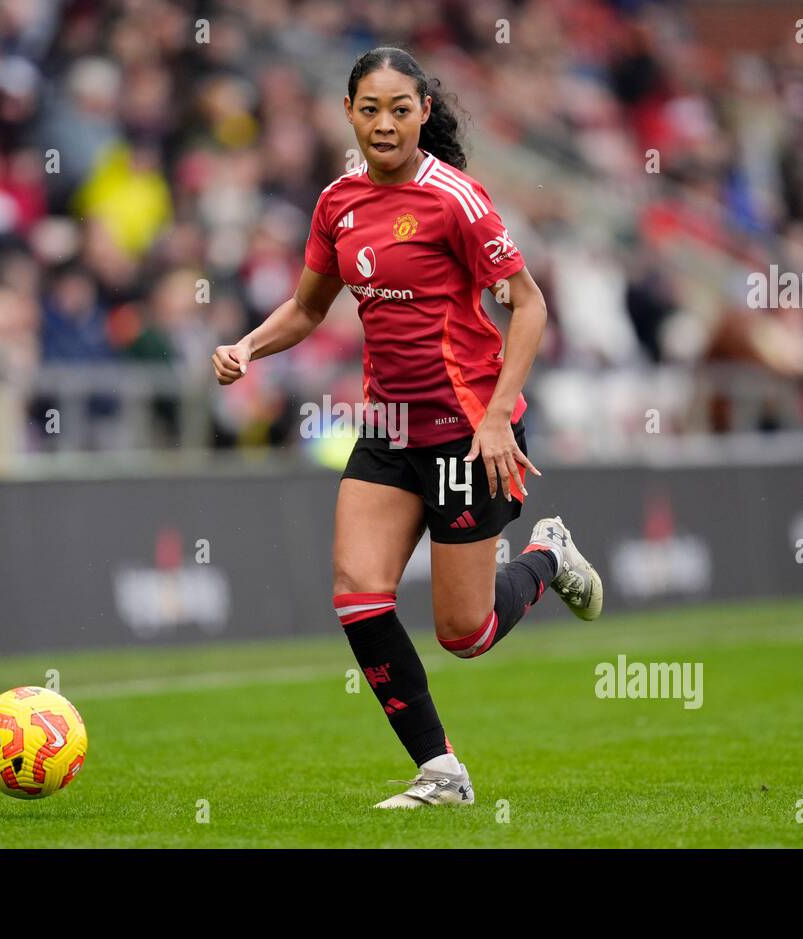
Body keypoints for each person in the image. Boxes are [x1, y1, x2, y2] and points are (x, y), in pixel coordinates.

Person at [212, 47, 603, 808]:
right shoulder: (336, 203)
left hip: (466, 430)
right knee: (358, 593)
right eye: (369, 108)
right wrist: (247, 347)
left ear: (424, 112)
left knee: (466, 632)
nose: (384, 123)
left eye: (399, 108)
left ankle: (549, 556)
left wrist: (496, 418)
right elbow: (307, 308)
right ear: (349, 114)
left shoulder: (456, 199)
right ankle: (442, 771)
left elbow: (530, 304)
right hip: (388, 425)